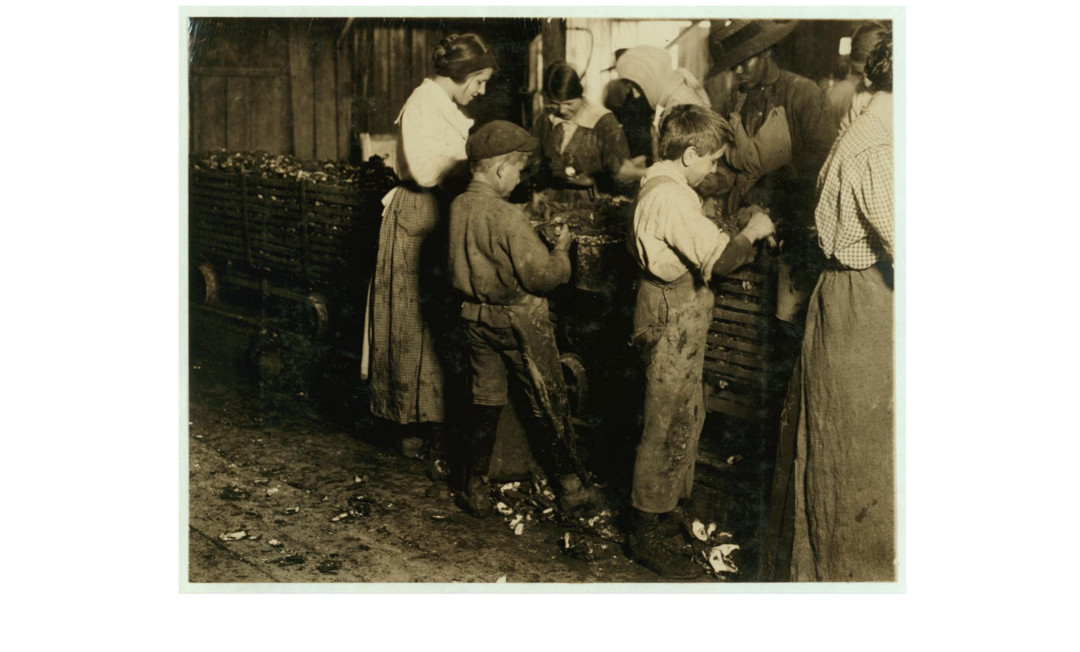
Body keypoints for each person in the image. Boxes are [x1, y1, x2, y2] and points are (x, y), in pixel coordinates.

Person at [627, 104, 775, 578]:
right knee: (665, 421)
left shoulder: (659, 182)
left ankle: (666, 508)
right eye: (712, 161)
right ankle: (646, 530)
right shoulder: (672, 198)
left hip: (670, 314)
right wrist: (751, 232)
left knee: (683, 413)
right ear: (691, 154)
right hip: (673, 317)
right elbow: (722, 261)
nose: (715, 171)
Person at [788, 30, 895, 582]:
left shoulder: (879, 125)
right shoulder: (879, 142)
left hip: (871, 296)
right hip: (865, 301)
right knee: (860, 464)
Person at [448, 120, 597, 517]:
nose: (518, 179)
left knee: (485, 398)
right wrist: (561, 249)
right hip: (516, 324)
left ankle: (474, 485)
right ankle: (569, 486)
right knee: (545, 397)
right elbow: (542, 278)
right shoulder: (507, 216)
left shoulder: (459, 205)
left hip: (475, 320)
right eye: (517, 170)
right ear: (499, 169)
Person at [365, 34, 496, 434]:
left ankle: (429, 418)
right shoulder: (423, 103)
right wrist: (475, 162)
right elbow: (423, 170)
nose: (482, 89)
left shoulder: (443, 105)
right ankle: (405, 421)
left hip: (438, 213)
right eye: (480, 80)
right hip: (417, 213)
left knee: (432, 322)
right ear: (463, 75)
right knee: (409, 322)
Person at [706, 20, 835, 231]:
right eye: (732, 65)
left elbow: (823, 154)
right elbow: (729, 161)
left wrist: (774, 181)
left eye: (744, 61)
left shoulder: (803, 93)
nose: (737, 71)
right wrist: (718, 180)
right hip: (740, 214)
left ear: (765, 52)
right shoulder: (734, 102)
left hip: (789, 217)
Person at [531, 62, 645, 200]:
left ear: (580, 95)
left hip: (594, 202)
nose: (561, 110)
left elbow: (622, 175)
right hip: (551, 202)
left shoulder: (604, 121)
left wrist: (592, 181)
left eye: (569, 104)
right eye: (555, 103)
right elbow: (534, 161)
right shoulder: (546, 119)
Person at [837, 21, 890, 135]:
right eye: (859, 74)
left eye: (871, 73)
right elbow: (844, 133)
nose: (866, 83)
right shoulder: (860, 93)